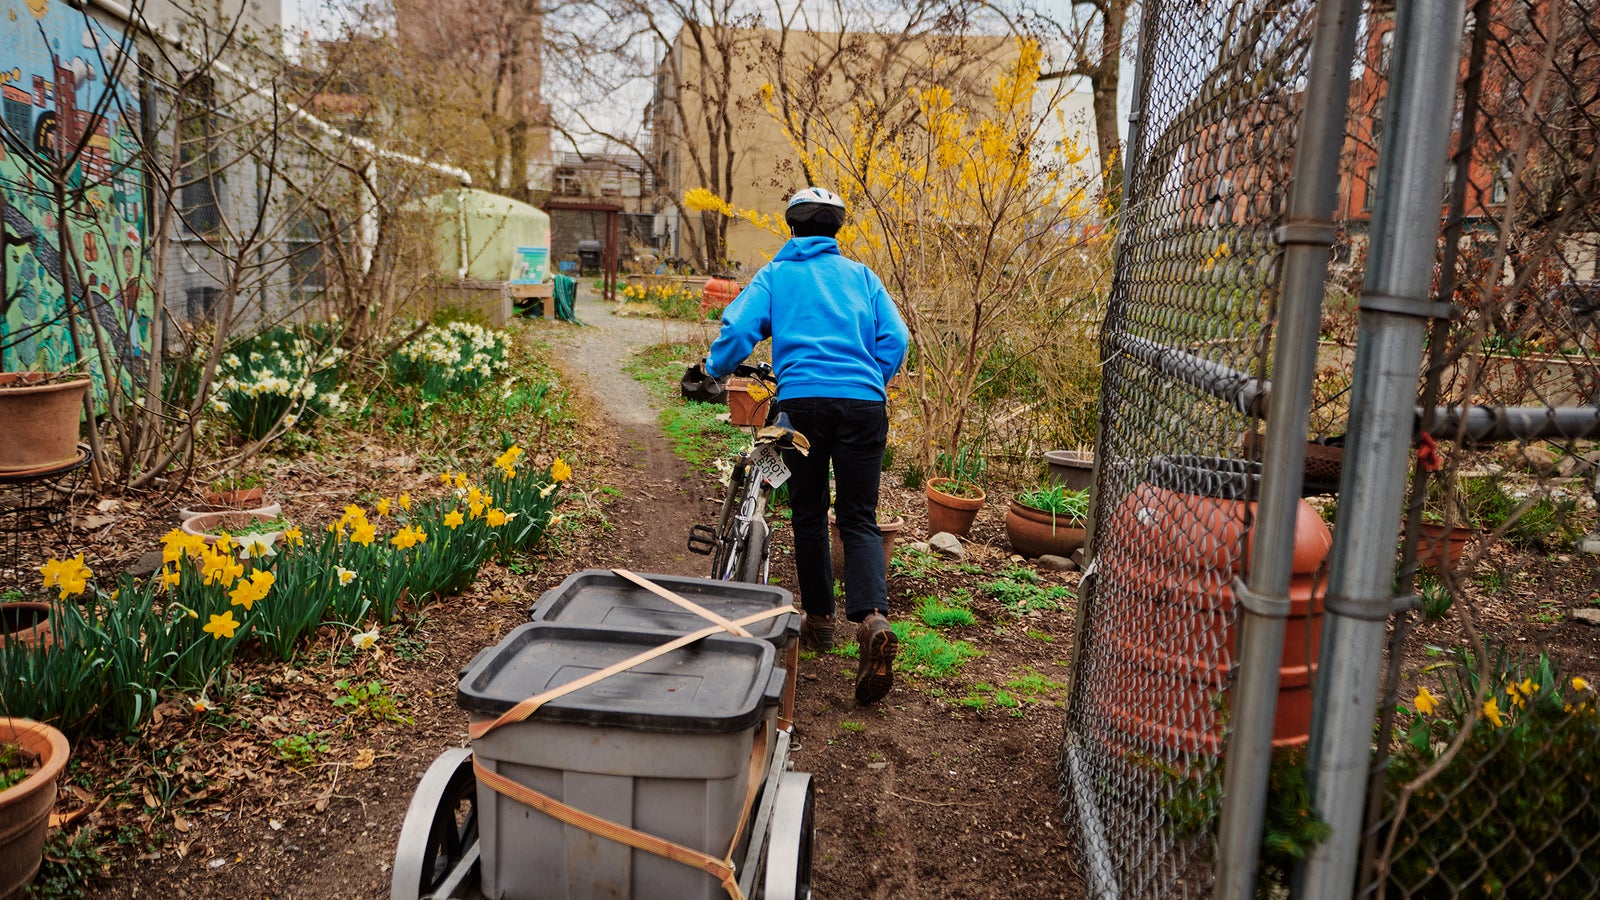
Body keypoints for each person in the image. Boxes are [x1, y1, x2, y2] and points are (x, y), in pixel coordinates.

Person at [699, 187, 910, 705]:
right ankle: (873, 618)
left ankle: (820, 620)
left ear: (791, 228)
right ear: (838, 230)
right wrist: (869, 380)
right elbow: (897, 339)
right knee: (859, 517)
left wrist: (713, 369)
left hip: (804, 407)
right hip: (864, 405)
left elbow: (739, 327)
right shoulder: (862, 277)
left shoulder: (777, 274)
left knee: (810, 513)